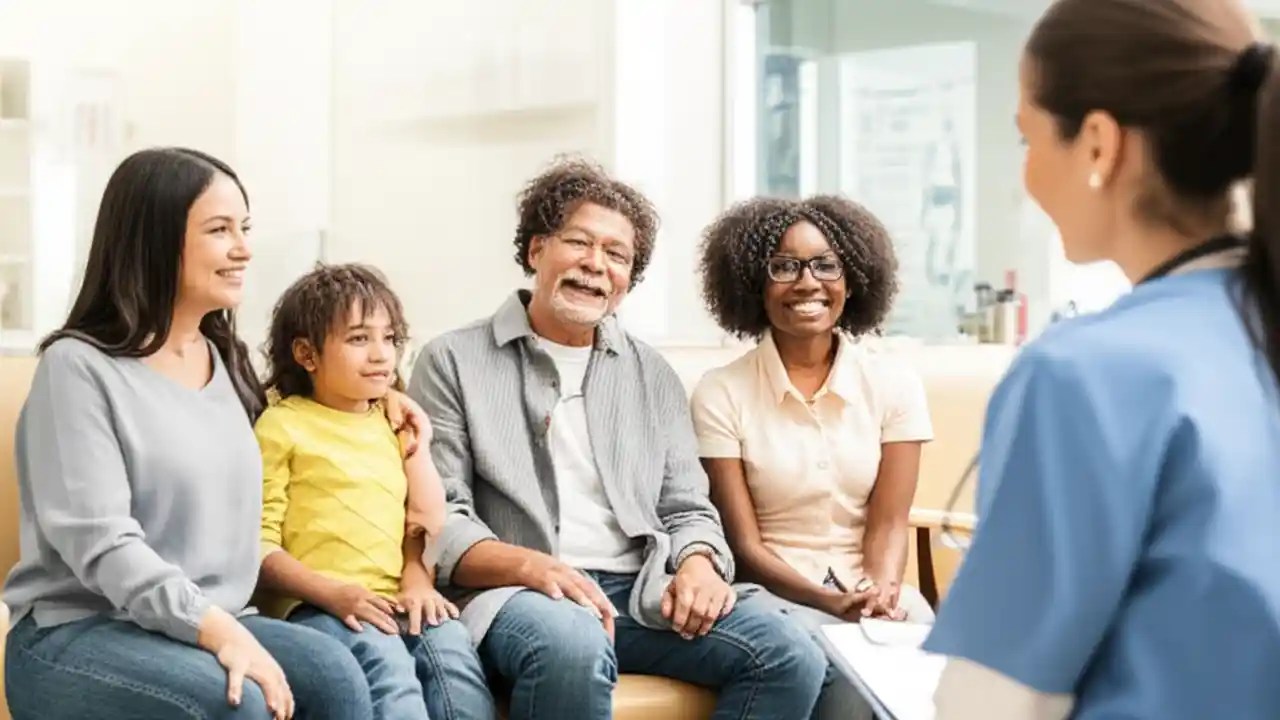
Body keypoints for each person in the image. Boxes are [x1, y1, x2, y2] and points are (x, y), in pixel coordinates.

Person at [923, 1, 1280, 718]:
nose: (1024, 174)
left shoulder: (1087, 374)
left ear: (1097, 143)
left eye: (1026, 139)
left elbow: (995, 705)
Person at [407, 158, 827, 720]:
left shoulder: (651, 374)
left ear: (629, 278)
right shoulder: (452, 360)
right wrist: (534, 567)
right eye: (578, 242)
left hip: (642, 590)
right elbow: (442, 516)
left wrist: (699, 564)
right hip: (518, 593)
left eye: (616, 255)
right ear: (536, 251)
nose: (595, 265)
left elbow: (687, 507)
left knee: (788, 653)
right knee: (570, 644)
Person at [2, 147, 373, 719]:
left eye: (244, 228)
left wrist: (389, 403)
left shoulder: (223, 357)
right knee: (236, 705)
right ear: (155, 241)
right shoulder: (76, 369)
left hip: (206, 620)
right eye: (220, 230)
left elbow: (308, 411)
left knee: (336, 678)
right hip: (80, 632)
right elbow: (102, 545)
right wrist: (215, 630)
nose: (244, 249)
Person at [690, 195, 934, 719]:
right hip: (769, 593)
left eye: (827, 264)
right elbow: (743, 544)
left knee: (914, 627)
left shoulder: (894, 384)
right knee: (835, 653)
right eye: (784, 267)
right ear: (754, 283)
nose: (808, 282)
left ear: (853, 279)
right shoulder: (721, 392)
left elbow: (890, 523)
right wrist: (829, 604)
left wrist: (881, 593)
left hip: (864, 584)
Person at [253, 263, 495, 720]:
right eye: (360, 339)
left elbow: (420, 519)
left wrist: (416, 578)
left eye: (390, 338)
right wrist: (333, 594)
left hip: (398, 597)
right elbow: (258, 546)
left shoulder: (394, 420)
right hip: (317, 605)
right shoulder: (281, 425)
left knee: (454, 659)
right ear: (307, 354)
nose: (382, 355)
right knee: (388, 671)